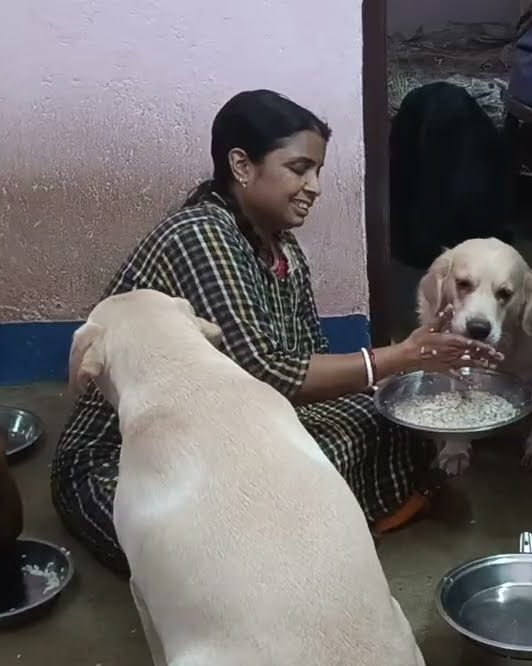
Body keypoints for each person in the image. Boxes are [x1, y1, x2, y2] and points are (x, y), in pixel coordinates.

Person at [51, 89, 501, 575]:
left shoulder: (283, 250)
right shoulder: (201, 236)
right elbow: (268, 375)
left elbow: (311, 358)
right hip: (129, 460)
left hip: (220, 427)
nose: (315, 186)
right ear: (242, 166)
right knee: (230, 528)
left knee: (382, 415)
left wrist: (401, 374)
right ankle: (293, 542)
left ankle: (318, 527)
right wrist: (400, 358)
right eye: (299, 168)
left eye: (318, 172)